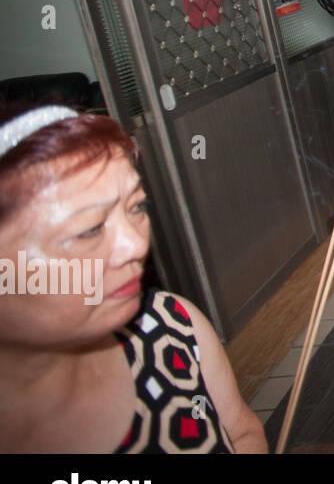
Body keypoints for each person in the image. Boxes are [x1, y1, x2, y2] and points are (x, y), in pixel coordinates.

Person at [0, 103, 266, 452]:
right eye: (89, 229)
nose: (135, 246)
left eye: (136, 207)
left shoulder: (168, 327)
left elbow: (241, 431)